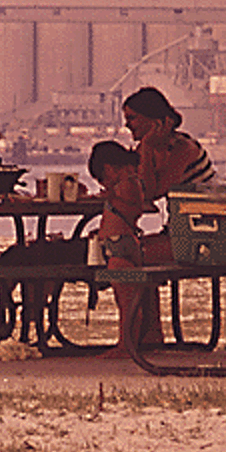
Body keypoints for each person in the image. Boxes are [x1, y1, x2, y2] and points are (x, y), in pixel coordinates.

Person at [119, 86, 217, 344]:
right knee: (130, 250)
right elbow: (141, 192)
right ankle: (148, 331)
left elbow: (154, 191)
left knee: (137, 254)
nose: (127, 125)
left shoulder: (184, 148)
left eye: (132, 118)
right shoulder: (147, 149)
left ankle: (149, 333)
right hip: (181, 231)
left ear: (153, 120)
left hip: (206, 235)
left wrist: (148, 148)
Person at [87, 140, 148, 358]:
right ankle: (126, 342)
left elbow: (134, 206)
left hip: (120, 245)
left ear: (109, 169)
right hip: (116, 242)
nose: (103, 185)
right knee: (124, 298)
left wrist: (110, 196)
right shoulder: (127, 182)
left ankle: (126, 345)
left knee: (127, 301)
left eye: (102, 179)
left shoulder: (127, 183)